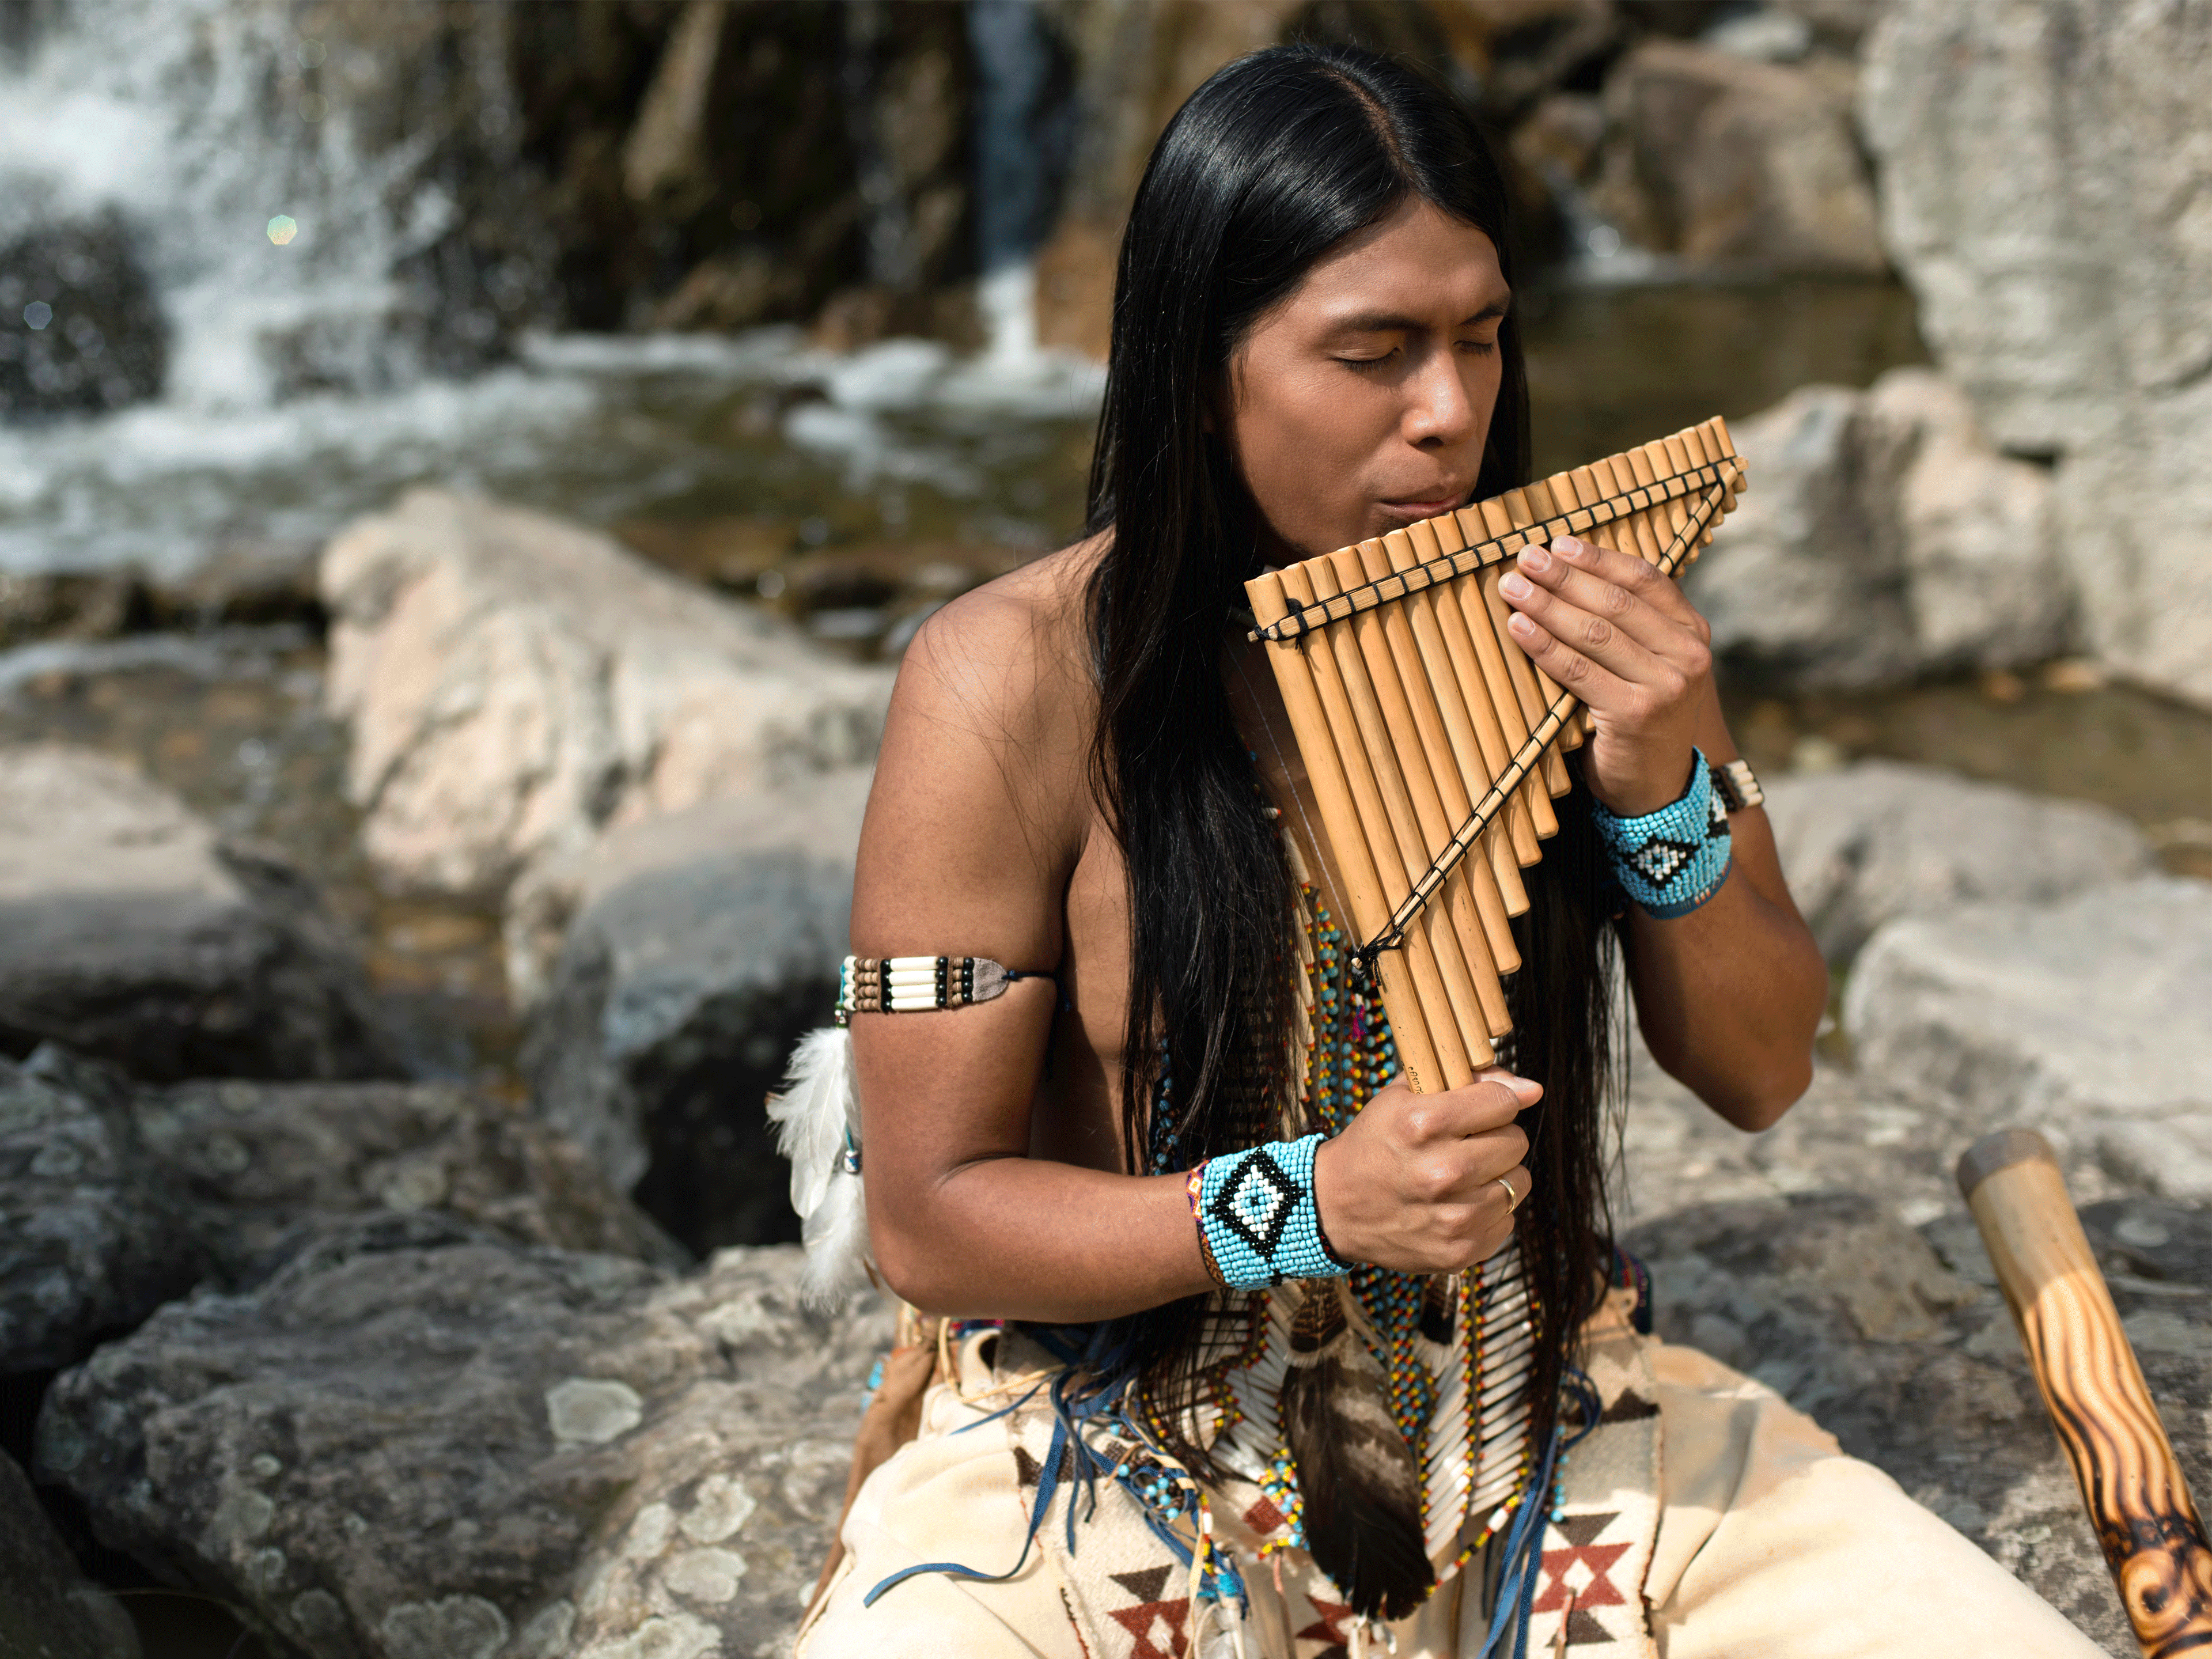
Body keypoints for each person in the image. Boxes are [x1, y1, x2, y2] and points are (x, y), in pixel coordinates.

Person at [787, 43, 2104, 1659]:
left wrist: (1664, 768)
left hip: (1539, 1430)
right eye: (1374, 352)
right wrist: (1308, 1205)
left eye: (1482, 337)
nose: (1452, 415)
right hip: (1112, 1447)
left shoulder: (1573, 619)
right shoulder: (1006, 681)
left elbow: (1763, 1069)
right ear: (1206, 370)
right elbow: (929, 1216)